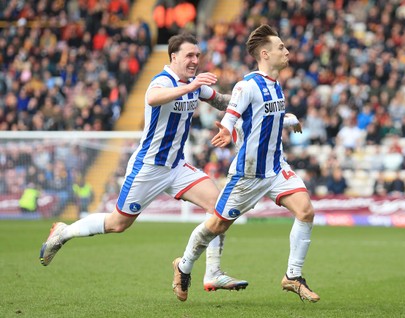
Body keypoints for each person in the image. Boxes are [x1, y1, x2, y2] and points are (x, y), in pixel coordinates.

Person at [39, 32, 248, 293]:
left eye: (197, 55)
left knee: (219, 207)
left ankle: (210, 272)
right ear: (174, 57)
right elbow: (152, 98)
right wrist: (190, 87)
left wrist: (247, 99)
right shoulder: (162, 81)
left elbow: (220, 100)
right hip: (148, 168)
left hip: (176, 167)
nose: (195, 60)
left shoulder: (194, 83)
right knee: (118, 224)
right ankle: (64, 232)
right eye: (189, 55)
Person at [172, 25, 320, 303]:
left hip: (276, 169)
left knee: (306, 211)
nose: (286, 52)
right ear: (265, 54)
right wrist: (227, 129)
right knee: (216, 225)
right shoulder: (247, 85)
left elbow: (269, 118)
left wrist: (290, 120)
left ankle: (292, 276)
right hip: (248, 174)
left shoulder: (276, 86)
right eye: (281, 48)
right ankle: (184, 266)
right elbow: (231, 114)